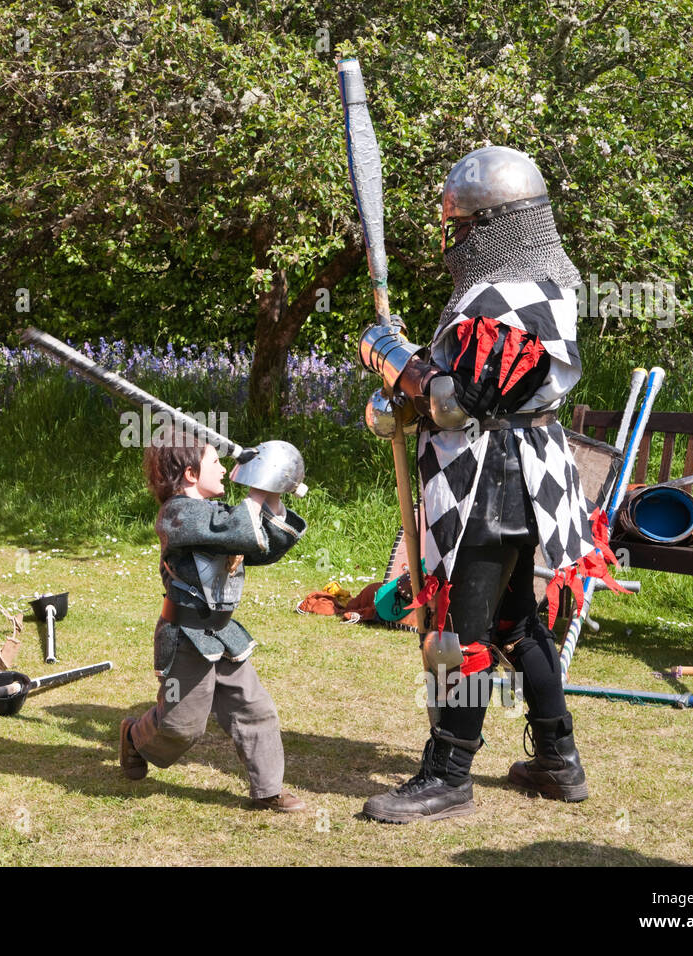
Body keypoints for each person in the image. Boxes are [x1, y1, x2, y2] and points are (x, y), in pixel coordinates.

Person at [362, 145, 627, 824]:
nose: (453, 240)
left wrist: (387, 354)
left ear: (487, 225)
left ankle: (447, 775)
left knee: (459, 631)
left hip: (489, 480)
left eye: (460, 227)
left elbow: (458, 403)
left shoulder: (504, 295)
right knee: (516, 620)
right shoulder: (540, 284)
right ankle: (557, 761)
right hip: (523, 472)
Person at [120, 427, 308, 812]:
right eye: (215, 463)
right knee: (181, 726)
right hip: (187, 637)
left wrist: (271, 500)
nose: (224, 470)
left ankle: (268, 790)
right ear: (190, 474)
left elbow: (262, 546)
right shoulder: (177, 514)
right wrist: (255, 496)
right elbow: (229, 530)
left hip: (224, 636)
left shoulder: (219, 515)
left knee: (255, 710)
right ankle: (134, 737)